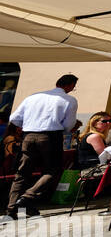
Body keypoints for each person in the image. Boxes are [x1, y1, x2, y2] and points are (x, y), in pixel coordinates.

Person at [6, 74, 79, 219]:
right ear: (70, 86)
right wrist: (60, 130)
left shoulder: (33, 96)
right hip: (50, 136)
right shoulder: (69, 99)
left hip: (28, 135)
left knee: (22, 172)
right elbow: (69, 125)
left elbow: (14, 118)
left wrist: (28, 126)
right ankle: (27, 197)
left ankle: (12, 208)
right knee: (53, 170)